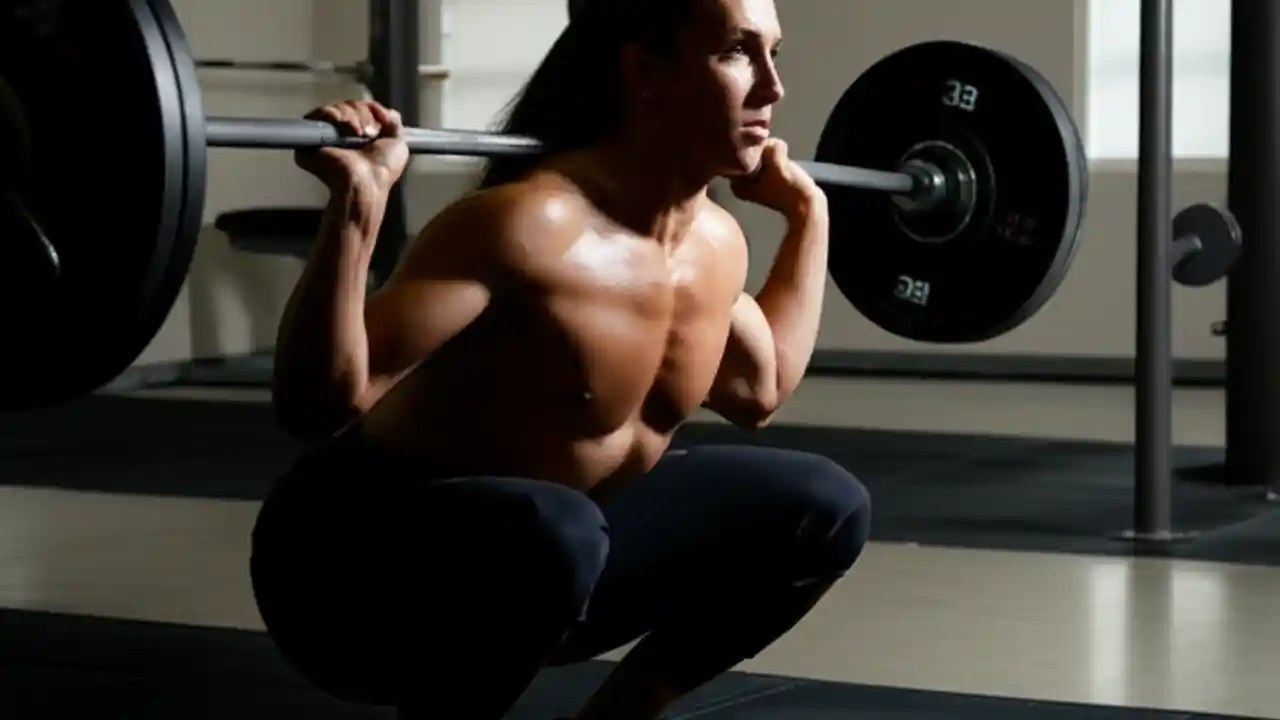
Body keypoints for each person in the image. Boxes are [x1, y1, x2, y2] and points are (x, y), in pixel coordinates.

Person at [250, 0, 872, 718]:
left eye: (774, 54)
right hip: (351, 576)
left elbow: (758, 392)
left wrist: (808, 217)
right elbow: (315, 408)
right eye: (737, 51)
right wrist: (357, 208)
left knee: (823, 505)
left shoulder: (713, 242)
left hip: (554, 560)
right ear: (646, 71)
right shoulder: (526, 226)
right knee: (553, 530)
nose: (773, 87)